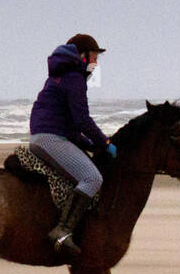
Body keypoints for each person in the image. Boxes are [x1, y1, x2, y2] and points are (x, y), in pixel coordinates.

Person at [27, 34, 115, 257]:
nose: (96, 63)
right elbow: (82, 120)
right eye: (94, 57)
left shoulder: (60, 75)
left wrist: (90, 145)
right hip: (51, 138)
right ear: (82, 56)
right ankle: (62, 230)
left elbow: (71, 126)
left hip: (46, 136)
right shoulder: (74, 78)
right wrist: (104, 142)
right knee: (92, 178)